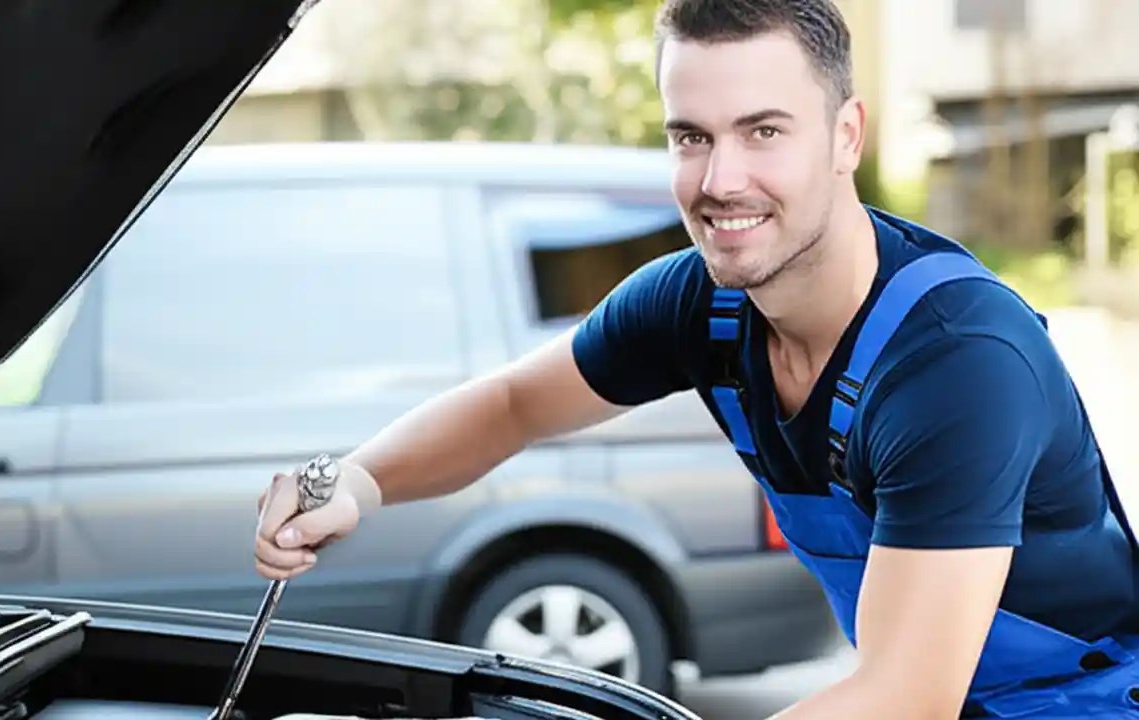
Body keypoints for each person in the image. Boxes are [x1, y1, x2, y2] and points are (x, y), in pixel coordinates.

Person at [255, 0, 1139, 716]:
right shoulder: (698, 305)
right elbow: (514, 405)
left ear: (845, 137)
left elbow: (905, 695)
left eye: (763, 131)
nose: (720, 181)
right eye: (692, 136)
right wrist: (355, 483)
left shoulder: (956, 364)